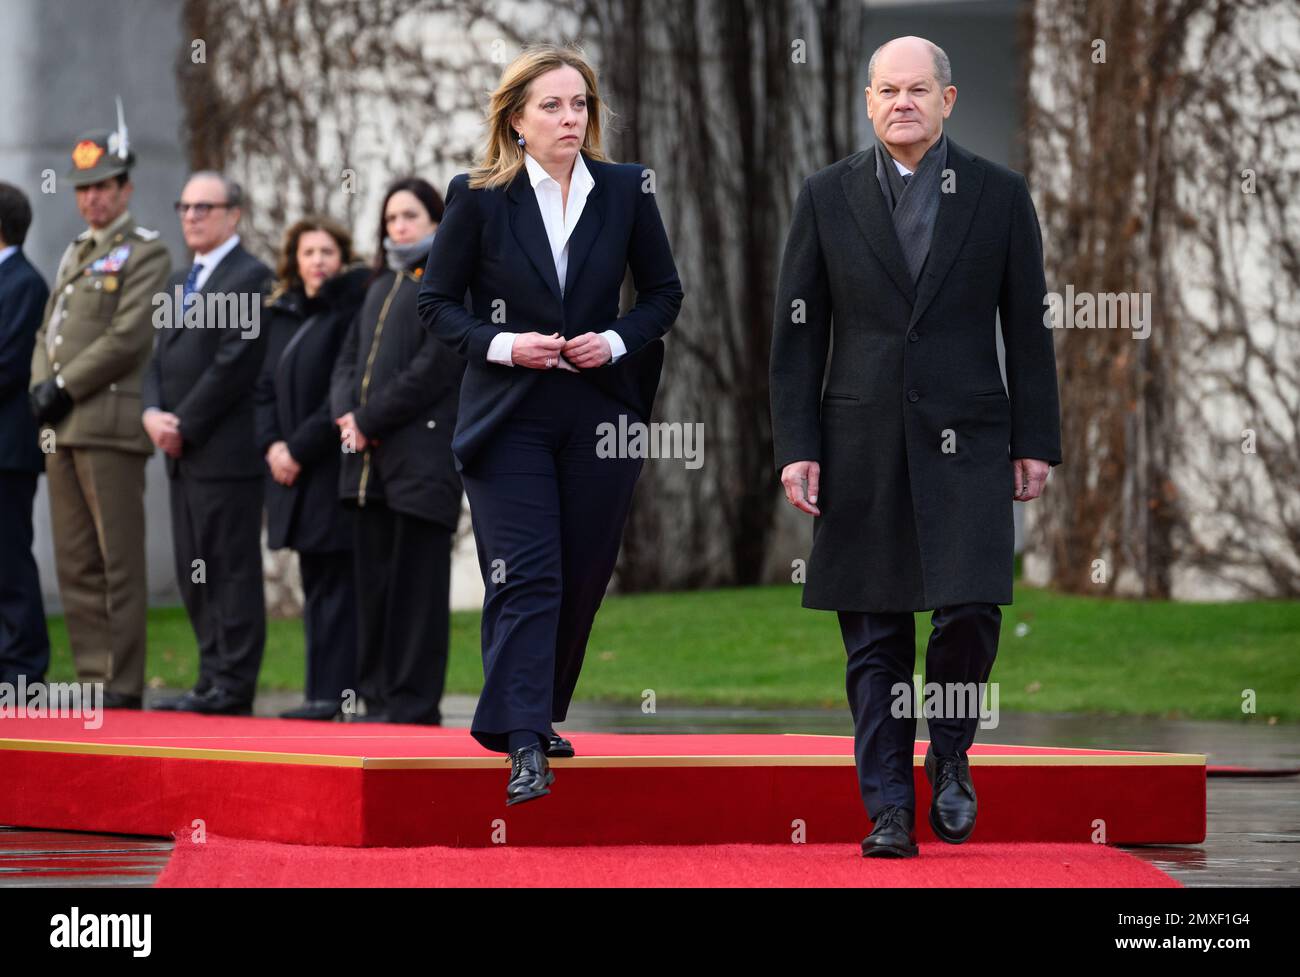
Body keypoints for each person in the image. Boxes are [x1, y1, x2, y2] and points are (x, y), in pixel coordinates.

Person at [770, 36, 1062, 857]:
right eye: (888, 90)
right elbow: (798, 333)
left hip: (969, 436)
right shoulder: (826, 196)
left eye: (918, 89)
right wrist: (797, 444)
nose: (903, 101)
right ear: (869, 103)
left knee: (969, 608)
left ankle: (954, 750)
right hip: (858, 439)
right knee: (875, 633)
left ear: (948, 99)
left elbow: (1027, 329)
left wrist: (1035, 438)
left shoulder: (1001, 196)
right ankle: (890, 807)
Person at [417, 43, 683, 805]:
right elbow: (436, 303)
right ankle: (525, 740)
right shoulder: (475, 195)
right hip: (510, 414)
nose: (571, 118)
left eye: (580, 105)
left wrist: (619, 339)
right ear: (516, 121)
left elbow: (663, 294)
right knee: (527, 572)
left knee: (582, 573)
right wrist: (504, 343)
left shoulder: (628, 190)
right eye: (552, 106)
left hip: (601, 411)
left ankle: (534, 711)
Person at [29, 121, 170, 710]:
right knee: (75, 560)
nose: (92, 198)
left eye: (104, 186)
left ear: (125, 188)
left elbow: (128, 336)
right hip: (61, 426)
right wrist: (43, 386)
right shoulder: (76, 251)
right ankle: (92, 677)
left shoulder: (146, 250)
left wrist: (61, 385)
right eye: (83, 189)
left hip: (107, 425)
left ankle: (123, 681)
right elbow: (49, 329)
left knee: (118, 558)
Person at [330, 177, 465, 726]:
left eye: (409, 216)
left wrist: (367, 419)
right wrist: (346, 415)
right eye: (390, 219)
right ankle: (378, 698)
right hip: (367, 468)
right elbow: (348, 360)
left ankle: (412, 703)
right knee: (375, 588)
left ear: (436, 221)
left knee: (417, 593)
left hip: (421, 464)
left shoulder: (449, 280)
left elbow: (434, 367)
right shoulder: (378, 284)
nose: (398, 228)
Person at [144, 172, 272, 716]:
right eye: (185, 206)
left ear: (233, 214)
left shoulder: (253, 277)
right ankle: (209, 675)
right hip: (182, 455)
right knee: (194, 567)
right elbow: (156, 360)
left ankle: (234, 683)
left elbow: (234, 365)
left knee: (230, 569)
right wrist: (151, 413)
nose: (192, 216)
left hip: (226, 452)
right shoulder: (178, 281)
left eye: (205, 206)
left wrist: (183, 423)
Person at [255, 217, 368, 721]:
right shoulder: (283, 314)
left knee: (338, 586)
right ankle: (318, 694)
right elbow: (262, 390)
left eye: (327, 251)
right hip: (291, 471)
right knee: (315, 582)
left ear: (342, 259)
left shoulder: (350, 311)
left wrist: (297, 450)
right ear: (294, 260)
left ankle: (335, 695)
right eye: (308, 252)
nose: (317, 260)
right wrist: (274, 446)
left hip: (328, 468)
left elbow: (338, 398)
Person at [0, 182, 51, 689]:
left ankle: (22, 669)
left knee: (9, 558)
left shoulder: (23, 283)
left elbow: (9, 366)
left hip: (8, 450)